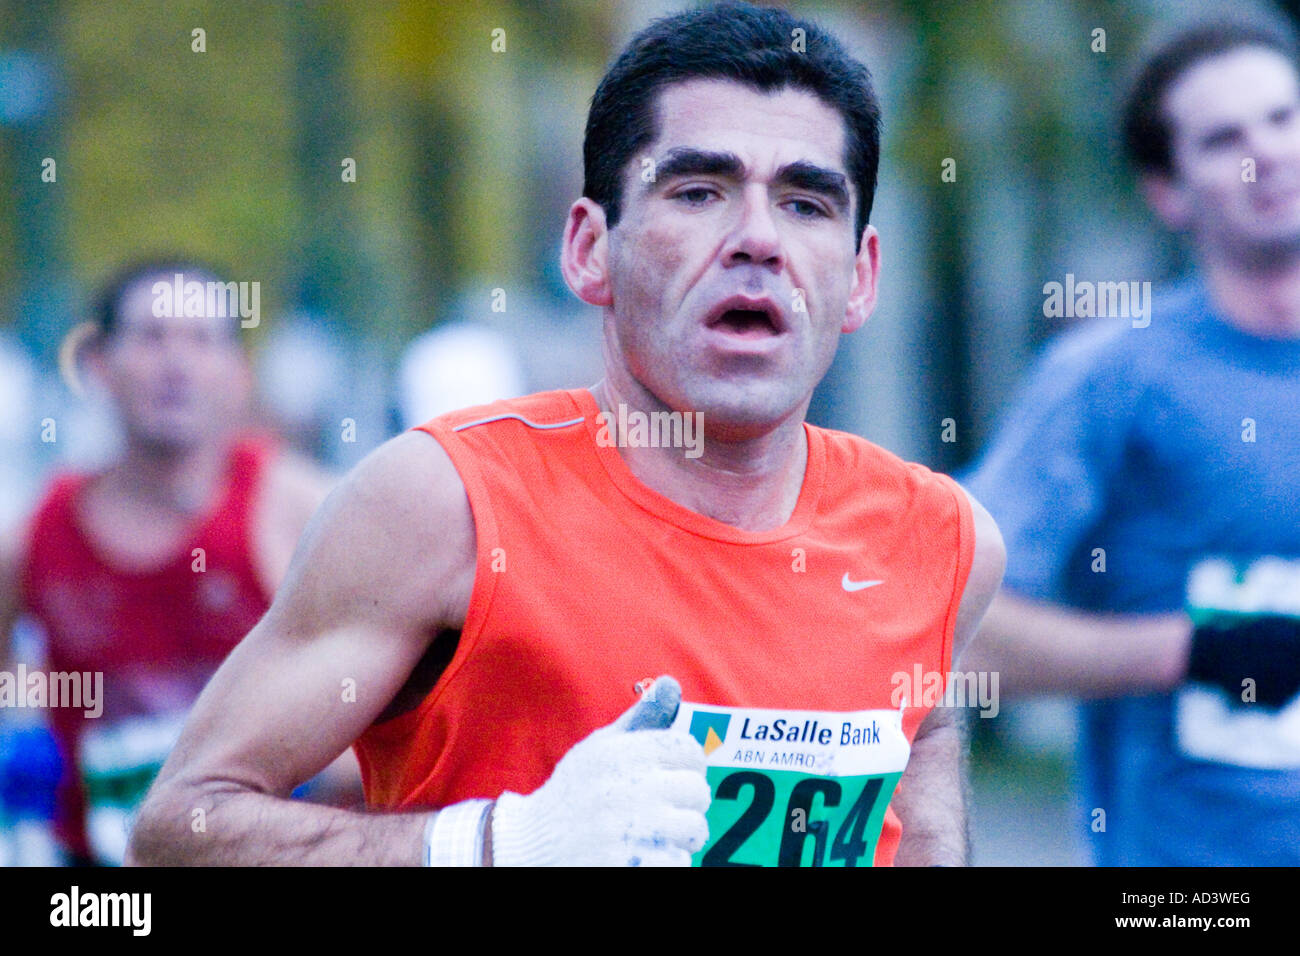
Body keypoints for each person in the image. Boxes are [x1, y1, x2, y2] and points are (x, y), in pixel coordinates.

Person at [128, 1, 1004, 868]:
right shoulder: (445, 507)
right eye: (699, 192)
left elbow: (922, 833)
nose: (757, 240)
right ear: (589, 249)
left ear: (861, 276)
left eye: (807, 203)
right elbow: (179, 831)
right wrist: (504, 843)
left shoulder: (937, 540)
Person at [961, 17, 1300, 865]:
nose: (1268, 155)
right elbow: (951, 623)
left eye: (1284, 119)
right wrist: (1195, 648)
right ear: (1168, 191)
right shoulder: (1109, 378)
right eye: (1224, 140)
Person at [0, 259, 347, 865]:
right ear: (98, 366)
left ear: (239, 375)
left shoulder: (305, 512)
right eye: (151, 337)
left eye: (201, 340)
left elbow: (381, 709)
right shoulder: (37, 534)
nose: (176, 365)